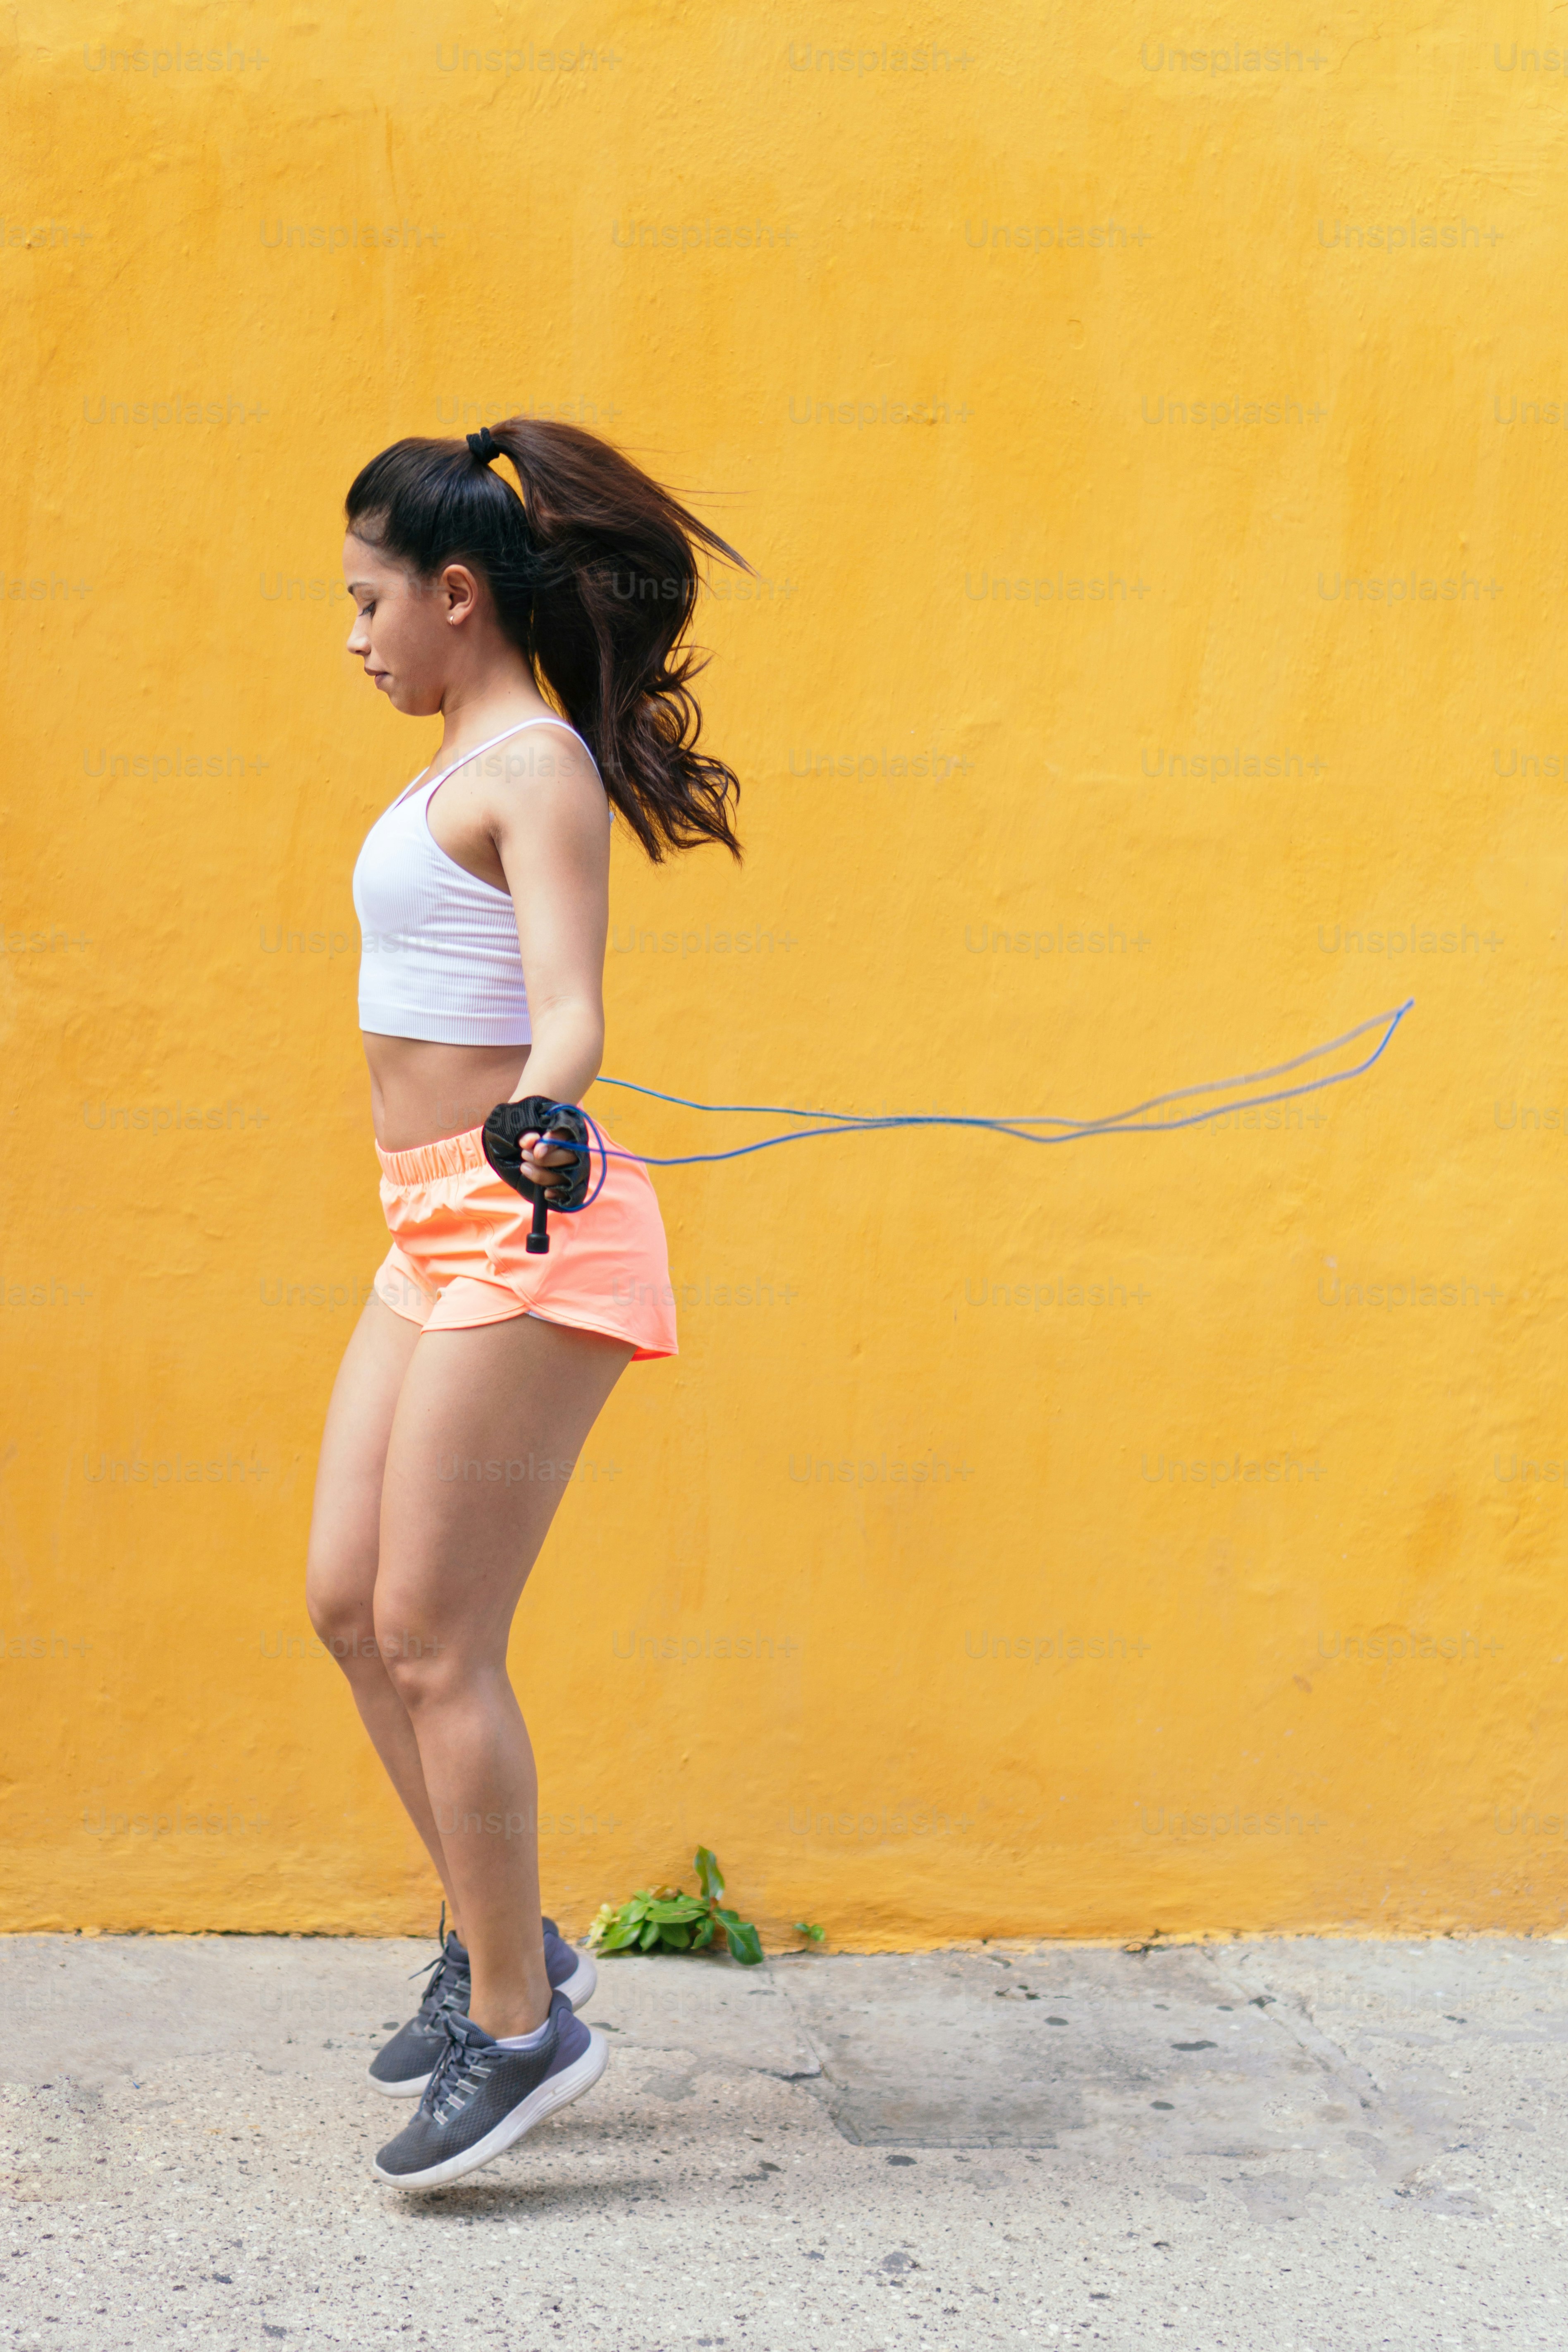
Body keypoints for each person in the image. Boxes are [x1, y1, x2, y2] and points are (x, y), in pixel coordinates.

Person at [304, 417, 744, 2191]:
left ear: (458, 596)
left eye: (367, 601)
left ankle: (519, 2027)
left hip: (527, 1228)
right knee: (349, 1607)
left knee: (435, 1635)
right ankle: (518, 1945)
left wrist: (544, 1108)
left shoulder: (533, 769)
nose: (353, 636)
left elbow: (571, 1007)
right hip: (428, 1226)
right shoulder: (452, 764)